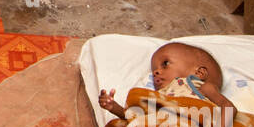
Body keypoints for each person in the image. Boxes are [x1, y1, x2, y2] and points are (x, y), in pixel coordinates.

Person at [98, 42, 236, 119]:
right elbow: (137, 119)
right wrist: (114, 108)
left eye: (165, 64)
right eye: (153, 71)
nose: (156, 72)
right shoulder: (160, 97)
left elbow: (229, 108)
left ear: (199, 73)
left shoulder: (201, 88)